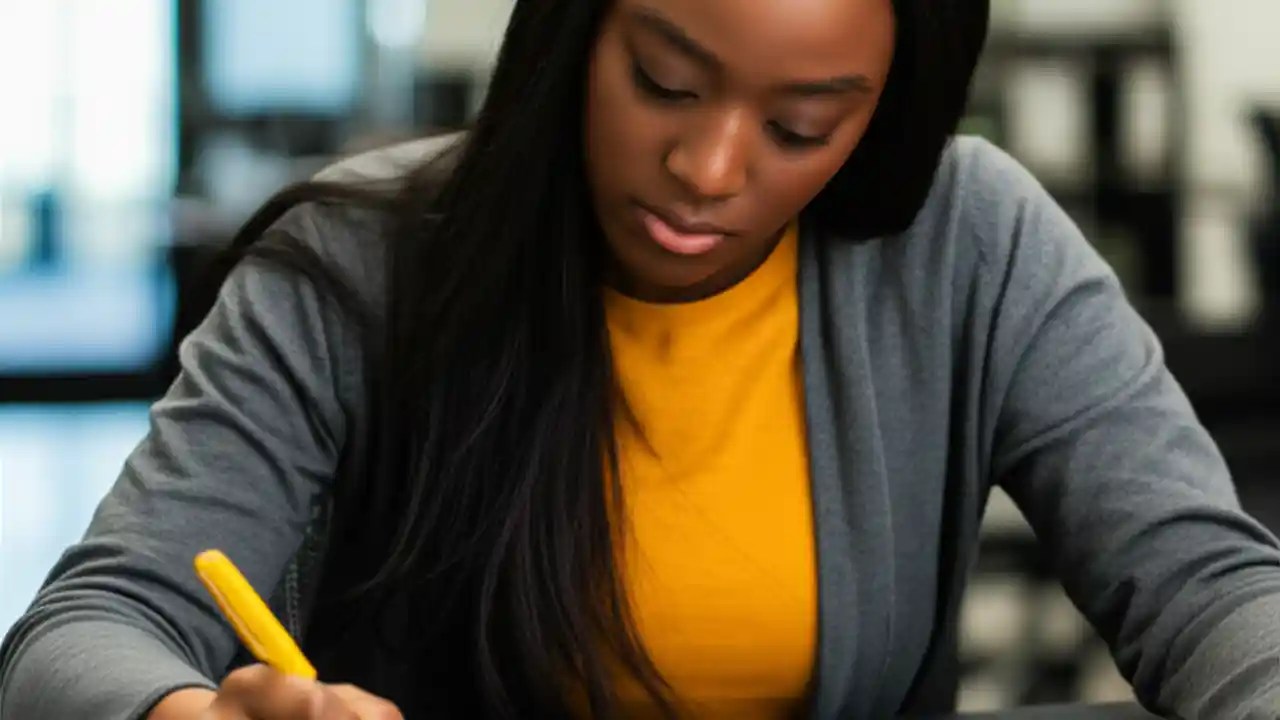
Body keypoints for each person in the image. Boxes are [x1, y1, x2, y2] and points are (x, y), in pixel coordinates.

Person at [3, 0, 1280, 718]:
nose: (709, 172)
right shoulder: (355, 263)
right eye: (665, 83)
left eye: (797, 126)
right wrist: (184, 718)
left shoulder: (969, 244)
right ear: (569, 38)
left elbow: (1202, 585)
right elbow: (87, 628)